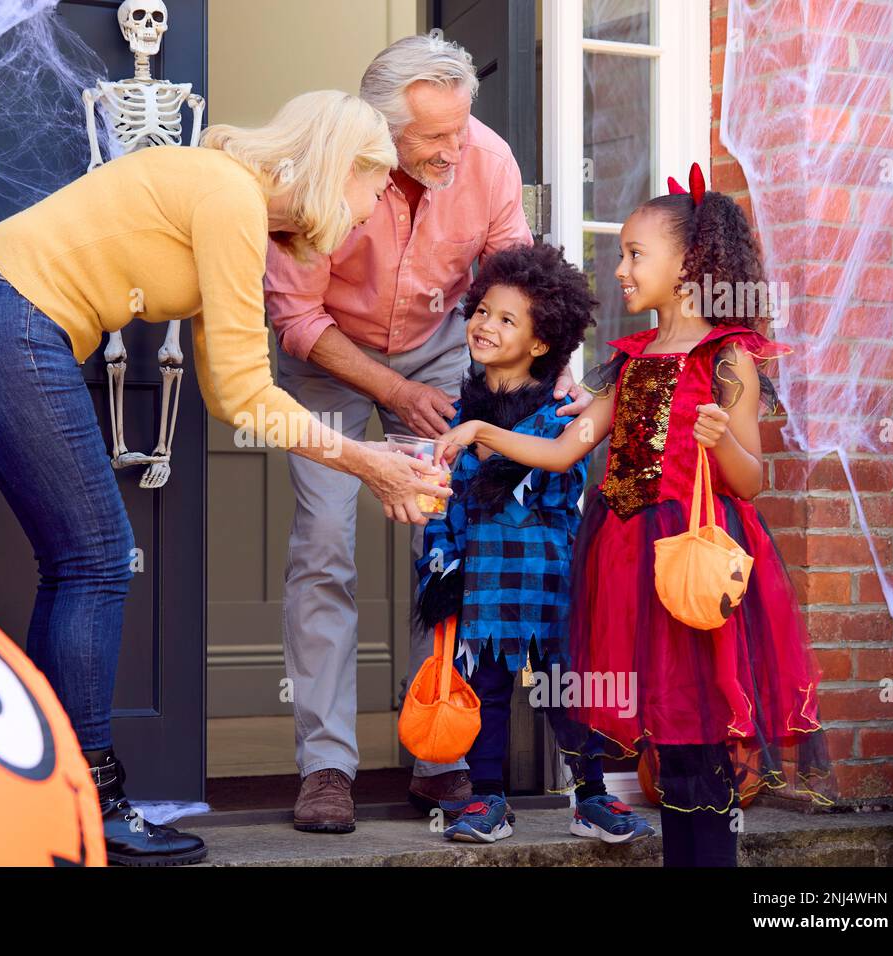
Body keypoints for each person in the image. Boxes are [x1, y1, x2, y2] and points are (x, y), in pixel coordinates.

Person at [0, 90, 450, 866]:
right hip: (4, 314)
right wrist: (368, 461)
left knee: (78, 563)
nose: (376, 208)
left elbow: (232, 393)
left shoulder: (226, 198)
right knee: (96, 560)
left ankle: (48, 791)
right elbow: (244, 394)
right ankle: (88, 802)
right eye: (376, 186)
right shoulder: (228, 195)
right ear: (342, 167)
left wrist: (368, 460)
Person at [434, 167, 830, 866]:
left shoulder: (727, 355)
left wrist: (723, 440)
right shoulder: (632, 360)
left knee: (702, 733)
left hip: (694, 558)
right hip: (627, 563)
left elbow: (753, 479)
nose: (619, 269)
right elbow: (564, 451)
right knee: (667, 739)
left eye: (635, 254)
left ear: (689, 266)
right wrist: (482, 434)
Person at [265, 34, 590, 834]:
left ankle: (441, 756)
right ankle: (328, 767)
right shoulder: (324, 165)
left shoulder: (486, 158)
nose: (456, 147)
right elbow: (297, 316)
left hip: (444, 351)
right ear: (383, 132)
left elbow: (522, 286)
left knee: (452, 546)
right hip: (328, 357)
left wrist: (558, 377)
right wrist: (393, 390)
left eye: (461, 126)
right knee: (324, 549)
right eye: (434, 137)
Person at [415, 244, 653, 845]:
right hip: (483, 585)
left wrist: (491, 449)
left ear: (541, 342)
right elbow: (443, 505)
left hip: (550, 583)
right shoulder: (454, 416)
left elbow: (559, 483)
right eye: (482, 312)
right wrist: (440, 570)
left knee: (567, 689)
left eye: (506, 320)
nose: (485, 326)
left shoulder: (560, 416)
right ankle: (486, 798)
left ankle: (591, 796)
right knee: (487, 692)